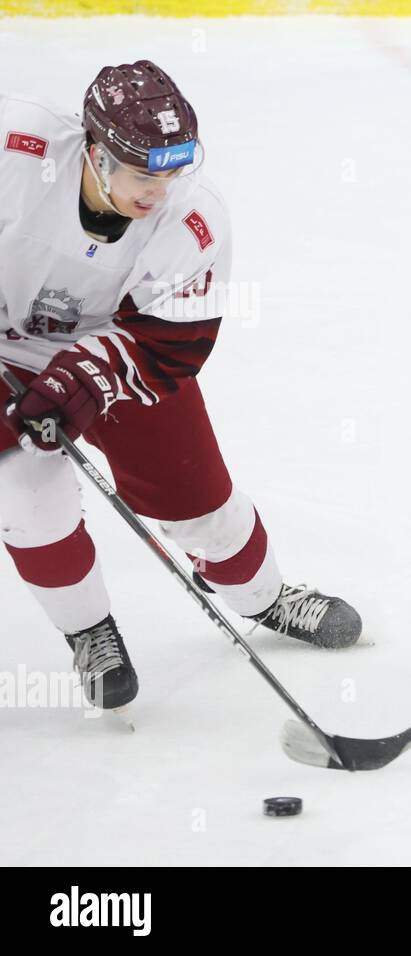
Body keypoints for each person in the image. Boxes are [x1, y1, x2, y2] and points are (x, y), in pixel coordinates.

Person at [0, 61, 362, 714]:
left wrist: (92, 374)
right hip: (9, 347)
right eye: (144, 174)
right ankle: (89, 630)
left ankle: (266, 598)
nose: (159, 191)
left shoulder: (196, 219)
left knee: (198, 506)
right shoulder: (14, 145)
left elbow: (172, 344)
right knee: (26, 499)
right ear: (95, 149)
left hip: (120, 355)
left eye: (173, 171)